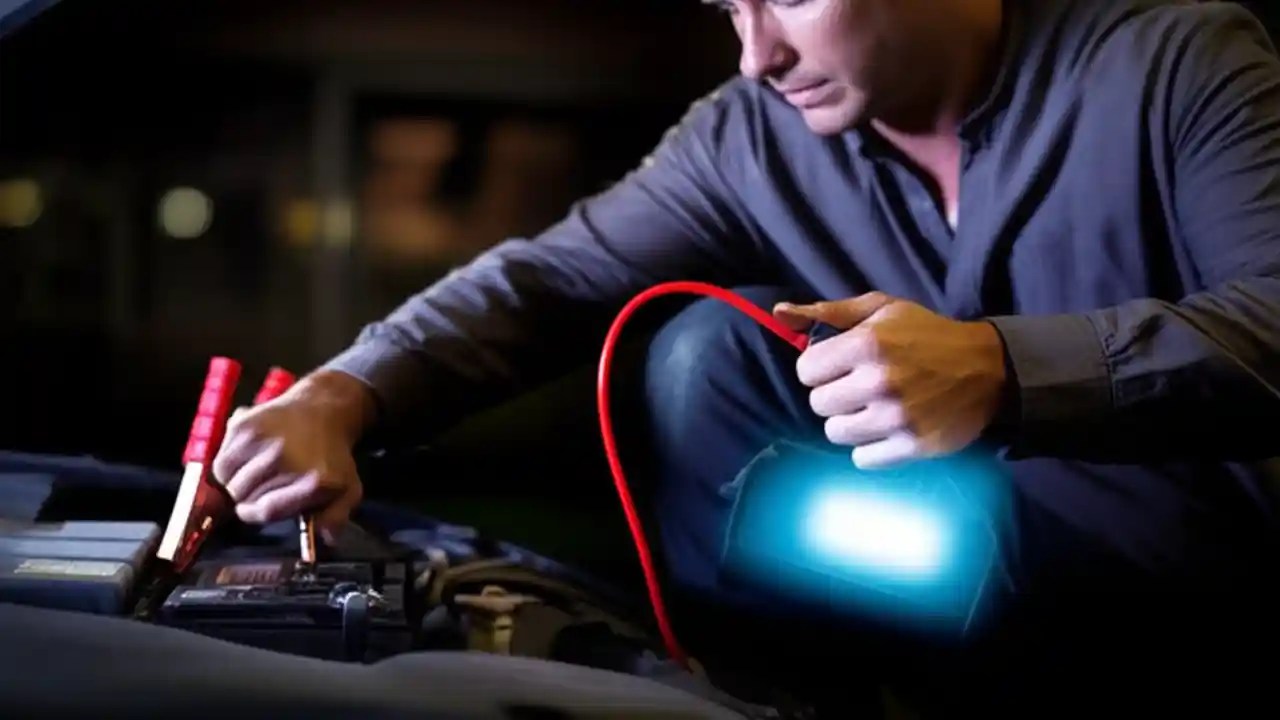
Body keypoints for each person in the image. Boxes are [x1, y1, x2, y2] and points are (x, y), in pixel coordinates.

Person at [213, 0, 1280, 711]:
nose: (755, 53)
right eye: (730, 6)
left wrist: (1001, 369)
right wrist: (339, 395)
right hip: (928, 606)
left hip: (1184, 616)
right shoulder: (746, 136)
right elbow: (546, 282)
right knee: (706, 351)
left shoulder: (1177, 63)